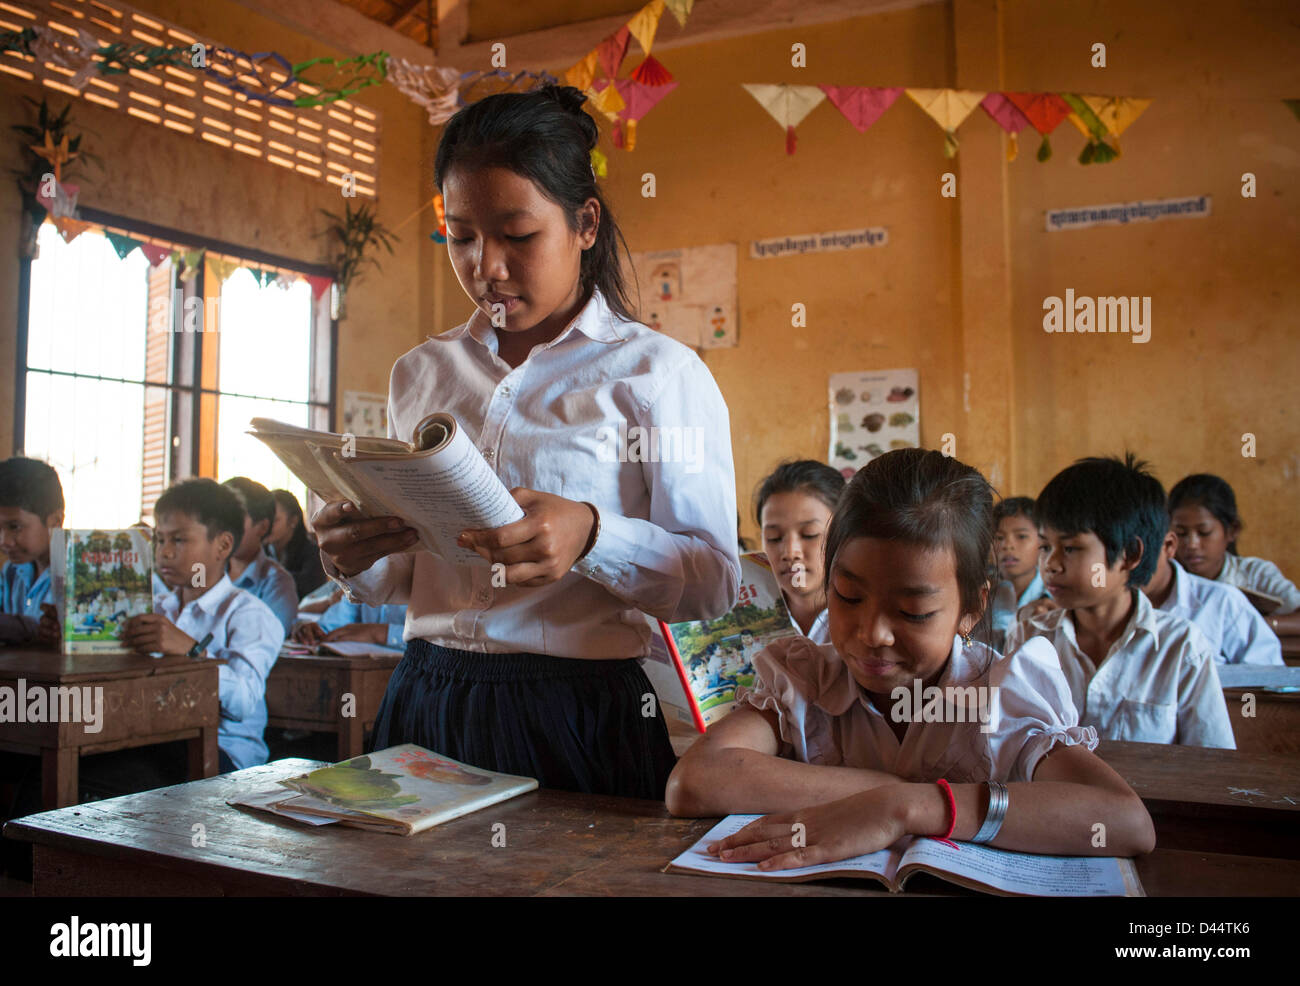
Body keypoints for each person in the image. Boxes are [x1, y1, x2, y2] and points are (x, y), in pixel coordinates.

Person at [313, 85, 739, 800]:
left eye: (518, 234)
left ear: (586, 224)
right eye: (462, 235)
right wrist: (353, 556)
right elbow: (406, 578)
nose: (488, 266)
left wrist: (594, 535)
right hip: (426, 697)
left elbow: (714, 582)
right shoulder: (421, 373)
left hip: (575, 713)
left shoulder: (656, 375)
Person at [666, 449, 1154, 868]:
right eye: (848, 596)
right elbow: (696, 781)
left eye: (913, 611)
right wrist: (880, 789)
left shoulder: (999, 695)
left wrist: (908, 806)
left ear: (971, 609)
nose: (872, 634)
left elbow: (1124, 820)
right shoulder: (807, 678)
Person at [1008, 455, 1234, 748]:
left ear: (1129, 554)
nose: (1051, 564)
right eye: (1045, 546)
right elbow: (1007, 749)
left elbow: (1212, 764)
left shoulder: (1181, 648)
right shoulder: (1029, 637)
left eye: (1071, 547)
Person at [122, 479, 284, 771]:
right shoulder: (154, 608)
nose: (165, 552)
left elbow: (245, 702)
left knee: (131, 769)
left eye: (179, 540)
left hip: (224, 756)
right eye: (160, 539)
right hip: (154, 739)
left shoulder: (247, 614)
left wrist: (191, 650)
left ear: (222, 545)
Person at [1169, 473, 1300, 636]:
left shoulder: (1255, 574)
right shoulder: (1166, 579)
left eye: (1204, 532)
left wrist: (1253, 625)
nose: (1192, 544)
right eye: (1181, 533)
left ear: (1232, 530)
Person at [1144, 528, 1282, 665]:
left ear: (1169, 545)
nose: (1128, 567)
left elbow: (1268, 677)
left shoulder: (1223, 600)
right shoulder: (1125, 606)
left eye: (1140, 556)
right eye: (1121, 555)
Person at [754, 460, 845, 643]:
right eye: (774, 537)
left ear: (843, 532)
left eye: (809, 534)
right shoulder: (748, 618)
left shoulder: (866, 619)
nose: (790, 552)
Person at [222, 477, 298, 635]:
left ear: (262, 527)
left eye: (235, 519)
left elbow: (264, 645)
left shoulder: (277, 584)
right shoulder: (205, 573)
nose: (224, 528)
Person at [0, 457, 64, 645]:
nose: (4, 541)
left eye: (15, 527)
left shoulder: (80, 576)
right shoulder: (11, 571)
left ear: (55, 521)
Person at [988, 497, 1049, 649]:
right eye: (998, 538)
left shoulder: (1054, 595)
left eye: (1021, 536)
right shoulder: (982, 593)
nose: (1007, 546)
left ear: (1042, 542)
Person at [266, 489, 327, 599]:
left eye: (275, 520)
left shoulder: (312, 553)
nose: (267, 526)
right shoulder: (259, 550)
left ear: (293, 521)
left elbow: (309, 589)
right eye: (265, 519)